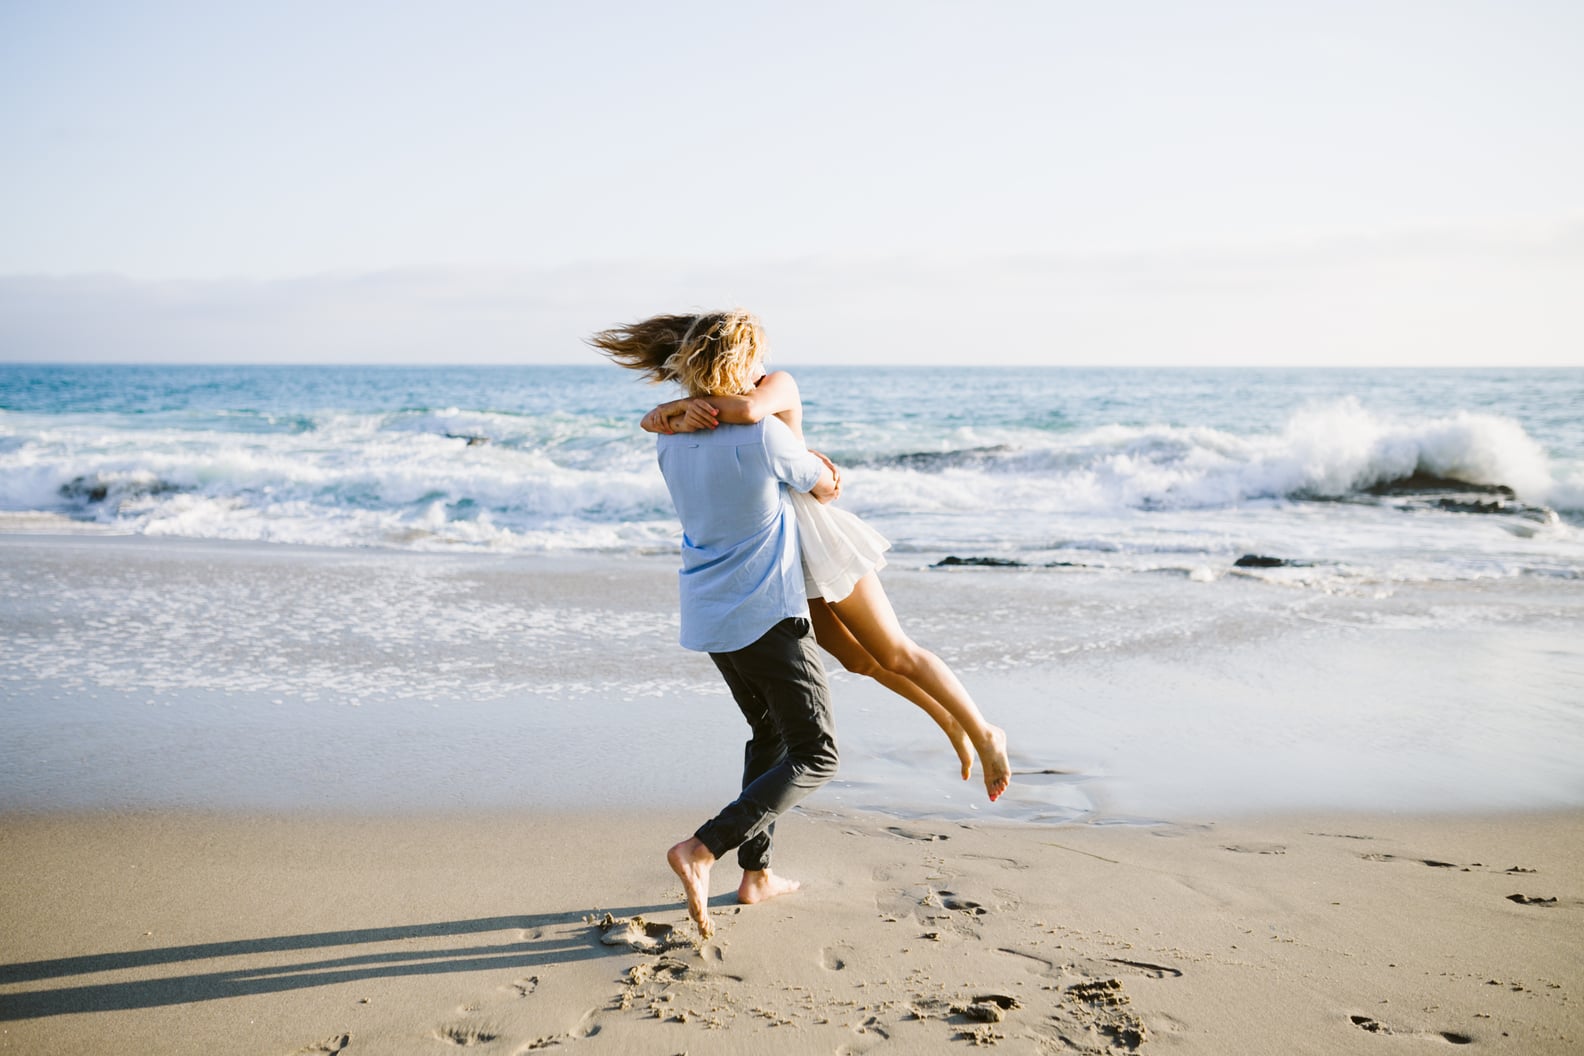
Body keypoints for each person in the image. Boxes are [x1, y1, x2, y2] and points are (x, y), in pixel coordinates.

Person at [636, 318, 1011, 805]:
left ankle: (984, 732)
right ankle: (948, 721)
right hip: (782, 543)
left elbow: (749, 411)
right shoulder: (705, 418)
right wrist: (672, 411)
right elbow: (693, 420)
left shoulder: (776, 387)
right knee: (858, 660)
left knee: (894, 651)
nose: (763, 365)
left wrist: (674, 408)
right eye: (756, 357)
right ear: (737, 359)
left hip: (818, 533)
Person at [590, 309, 842, 940]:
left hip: (709, 615)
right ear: (743, 365)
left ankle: (757, 876)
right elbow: (826, 487)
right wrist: (809, 449)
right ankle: (703, 848)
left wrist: (672, 412)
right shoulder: (761, 436)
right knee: (817, 754)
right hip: (768, 614)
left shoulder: (668, 436)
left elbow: (686, 424)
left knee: (770, 736)